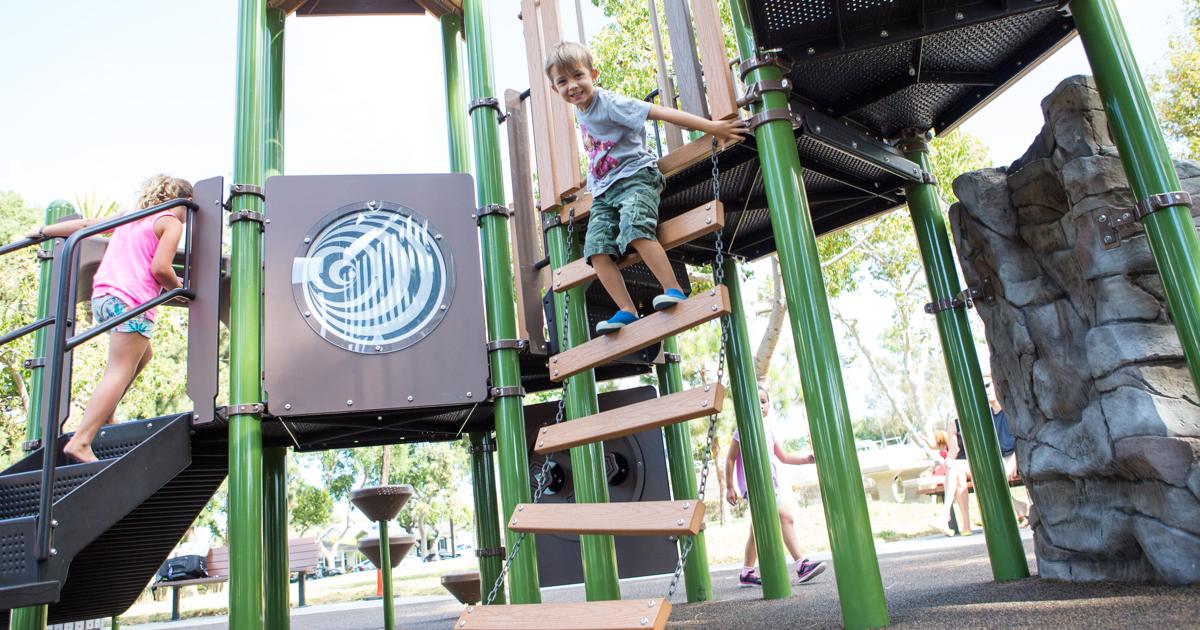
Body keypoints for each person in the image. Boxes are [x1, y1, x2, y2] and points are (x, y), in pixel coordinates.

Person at [543, 42, 748, 334]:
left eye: (578, 76)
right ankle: (626, 310)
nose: (572, 86)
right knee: (596, 250)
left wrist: (713, 128)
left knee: (634, 227)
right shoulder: (581, 110)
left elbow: (659, 113)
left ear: (593, 74)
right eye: (563, 81)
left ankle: (673, 288)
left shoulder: (609, 103)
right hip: (603, 192)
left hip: (636, 177)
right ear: (554, 88)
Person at [28, 175, 192, 462]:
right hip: (133, 302)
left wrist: (43, 230)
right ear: (186, 202)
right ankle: (81, 440)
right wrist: (181, 289)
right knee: (119, 369)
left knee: (143, 356)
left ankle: (108, 414)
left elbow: (85, 226)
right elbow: (160, 268)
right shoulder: (171, 222)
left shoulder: (133, 216)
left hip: (105, 298)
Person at [724, 386, 826, 586]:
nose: (761, 405)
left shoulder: (769, 432)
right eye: (756, 402)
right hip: (756, 486)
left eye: (764, 401)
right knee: (785, 517)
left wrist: (807, 459)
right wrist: (729, 487)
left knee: (756, 531)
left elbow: (784, 457)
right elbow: (730, 458)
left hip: (771, 485)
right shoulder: (742, 431)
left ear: (769, 405)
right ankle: (801, 564)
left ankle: (747, 573)